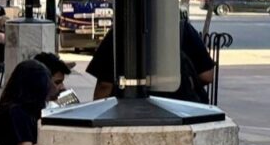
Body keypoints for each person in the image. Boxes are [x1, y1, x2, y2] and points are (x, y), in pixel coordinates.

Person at [86, 16, 217, 102]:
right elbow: (207, 76)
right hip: (181, 113)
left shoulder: (119, 34)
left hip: (129, 115)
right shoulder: (181, 30)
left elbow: (104, 85)